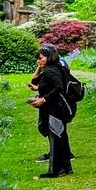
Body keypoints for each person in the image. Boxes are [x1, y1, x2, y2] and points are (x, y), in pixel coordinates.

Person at [27, 45, 74, 178]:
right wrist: (40, 68)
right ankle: (66, 168)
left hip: (54, 109)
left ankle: (55, 171)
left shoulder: (50, 71)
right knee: (61, 137)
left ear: (48, 57)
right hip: (58, 108)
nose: (38, 61)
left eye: (40, 58)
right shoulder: (55, 68)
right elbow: (35, 80)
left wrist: (44, 100)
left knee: (55, 138)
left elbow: (58, 87)